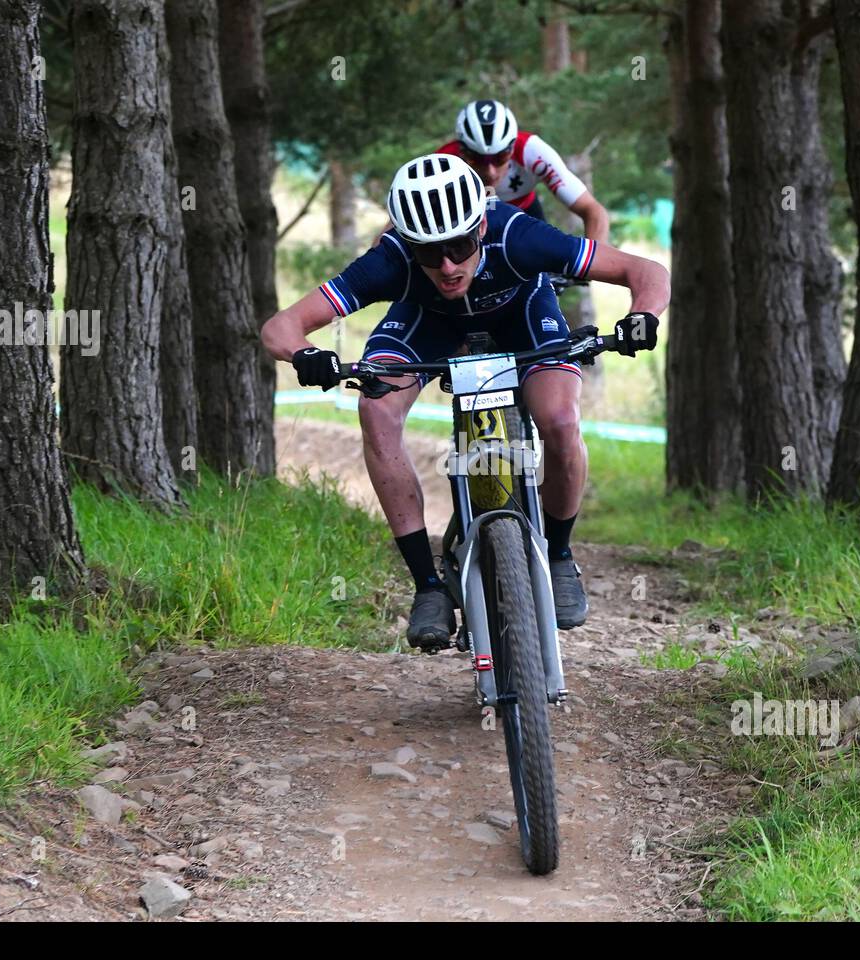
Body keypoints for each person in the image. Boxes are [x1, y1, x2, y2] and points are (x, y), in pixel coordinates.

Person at [261, 154, 668, 649]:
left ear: (479, 225)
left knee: (560, 419)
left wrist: (642, 316)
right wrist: (308, 355)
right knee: (376, 410)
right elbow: (280, 327)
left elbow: (643, 270)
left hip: (520, 312)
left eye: (458, 245)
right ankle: (427, 586)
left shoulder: (516, 235)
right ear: (409, 244)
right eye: (431, 254)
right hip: (429, 323)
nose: (449, 265)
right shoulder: (390, 260)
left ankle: (559, 556)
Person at [437, 98, 610, 242]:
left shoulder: (532, 151)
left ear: (512, 148)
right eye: (477, 159)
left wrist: (592, 265)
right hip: (471, 224)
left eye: (500, 157)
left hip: (525, 213)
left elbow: (593, 210)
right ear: (461, 151)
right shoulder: (442, 164)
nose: (490, 172)